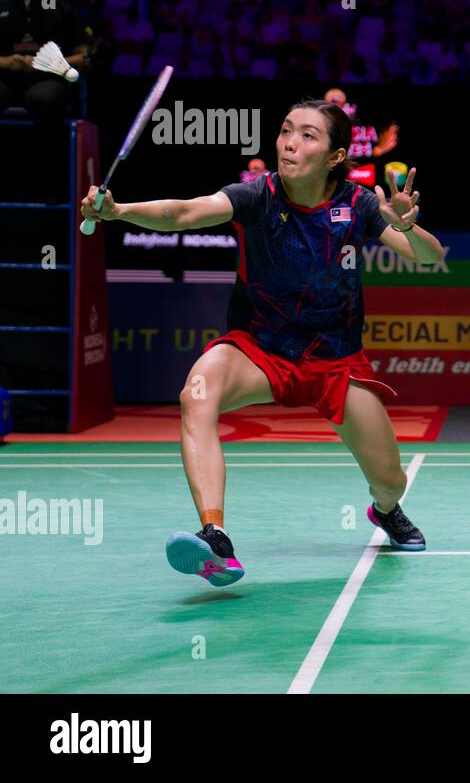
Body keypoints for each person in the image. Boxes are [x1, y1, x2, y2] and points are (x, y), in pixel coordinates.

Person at [80, 99, 445, 587]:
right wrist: (119, 211)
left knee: (390, 479)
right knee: (197, 393)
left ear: (336, 156)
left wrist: (405, 226)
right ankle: (215, 537)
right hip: (261, 350)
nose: (290, 143)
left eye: (309, 136)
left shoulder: (356, 205)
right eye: (286, 131)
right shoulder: (259, 196)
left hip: (335, 362)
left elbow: (429, 256)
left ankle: (384, 510)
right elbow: (186, 213)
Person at [0, 0, 90, 128]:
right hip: (4, 78)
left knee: (44, 99)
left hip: (48, 79)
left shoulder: (64, 10)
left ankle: (45, 156)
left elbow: (85, 55)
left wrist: (48, 64)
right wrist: (6, 62)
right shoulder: (1, 7)